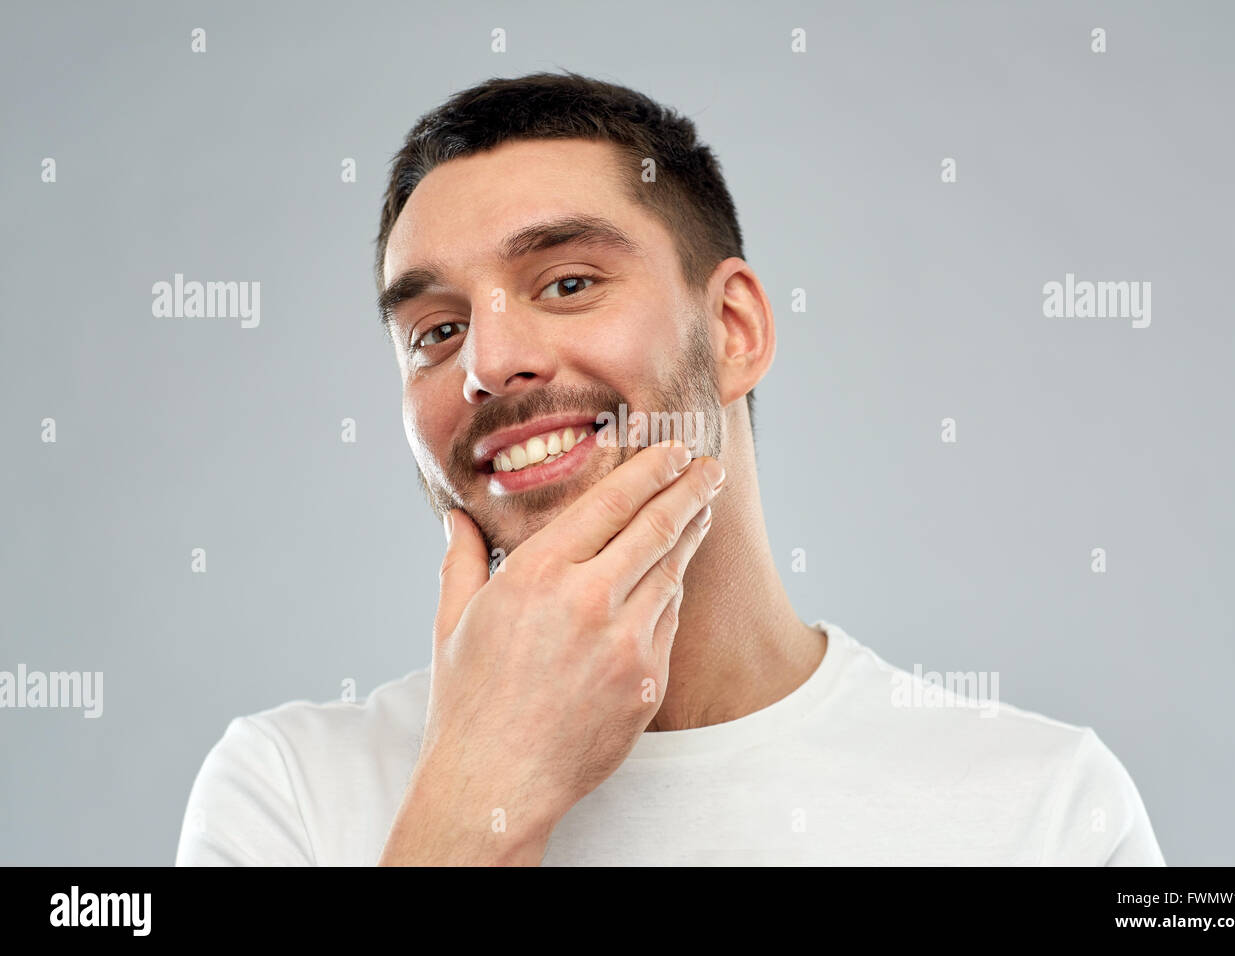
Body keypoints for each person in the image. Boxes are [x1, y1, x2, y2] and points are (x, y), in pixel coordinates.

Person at [176, 71, 1164, 866]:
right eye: (437, 329)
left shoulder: (1041, 806)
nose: (487, 362)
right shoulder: (289, 791)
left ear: (732, 329)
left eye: (566, 282)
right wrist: (480, 784)